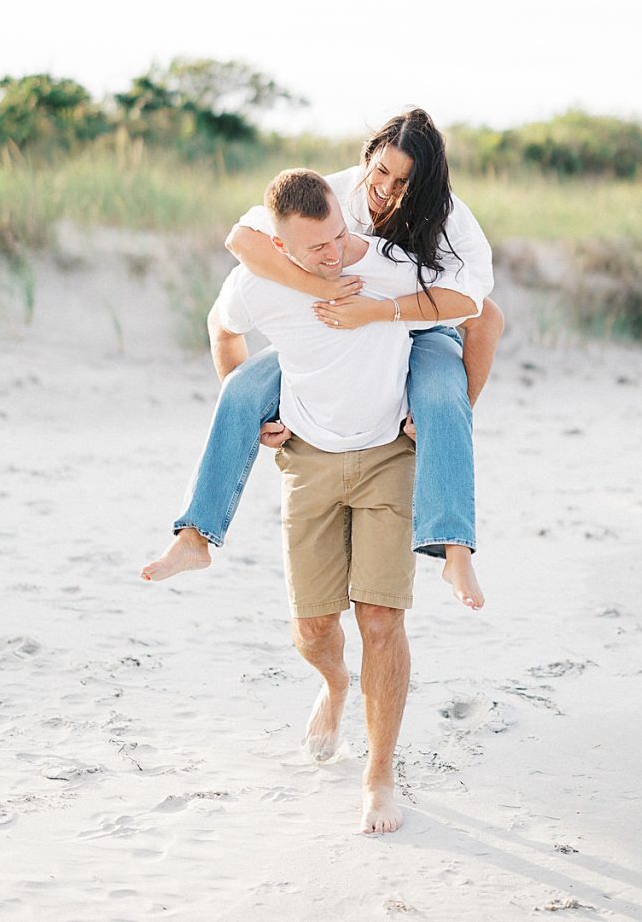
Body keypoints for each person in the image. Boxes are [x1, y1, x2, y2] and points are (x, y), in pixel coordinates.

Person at [142, 108, 504, 608]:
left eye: (403, 181)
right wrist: (321, 285)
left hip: (420, 325)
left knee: (444, 400)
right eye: (381, 171)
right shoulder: (339, 194)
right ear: (368, 158)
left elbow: (478, 311)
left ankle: (456, 550)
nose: (385, 188)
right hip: (334, 331)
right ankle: (195, 536)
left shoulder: (451, 222)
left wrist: (447, 411)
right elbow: (242, 239)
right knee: (243, 387)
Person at [199, 168, 441, 833]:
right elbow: (222, 329)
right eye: (316, 248)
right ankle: (336, 685)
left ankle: (380, 775)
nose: (335, 253)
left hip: (389, 457)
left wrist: (442, 410)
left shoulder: (389, 263)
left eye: (339, 234)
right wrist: (248, 408)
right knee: (313, 631)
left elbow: (469, 311)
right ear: (281, 249)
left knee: (383, 622)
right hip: (305, 460)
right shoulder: (257, 284)